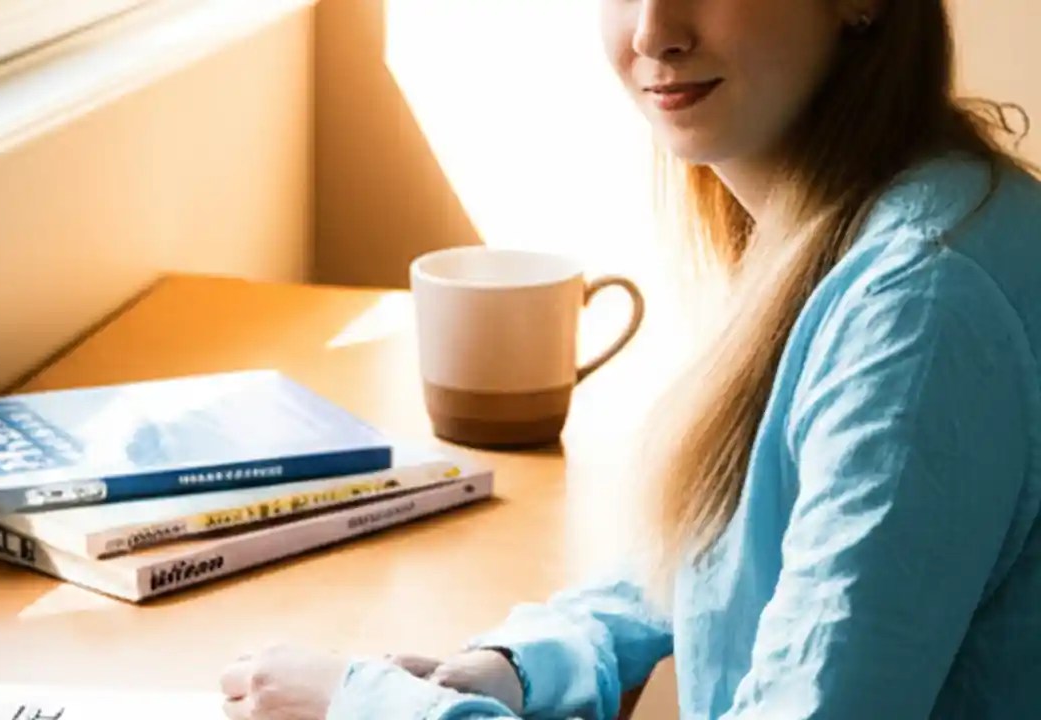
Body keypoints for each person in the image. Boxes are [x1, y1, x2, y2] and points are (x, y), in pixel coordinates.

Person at [218, 0, 1041, 717]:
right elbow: (750, 546)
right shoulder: (884, 219)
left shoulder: (918, 313)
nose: (653, 31)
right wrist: (516, 667)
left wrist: (369, 708)